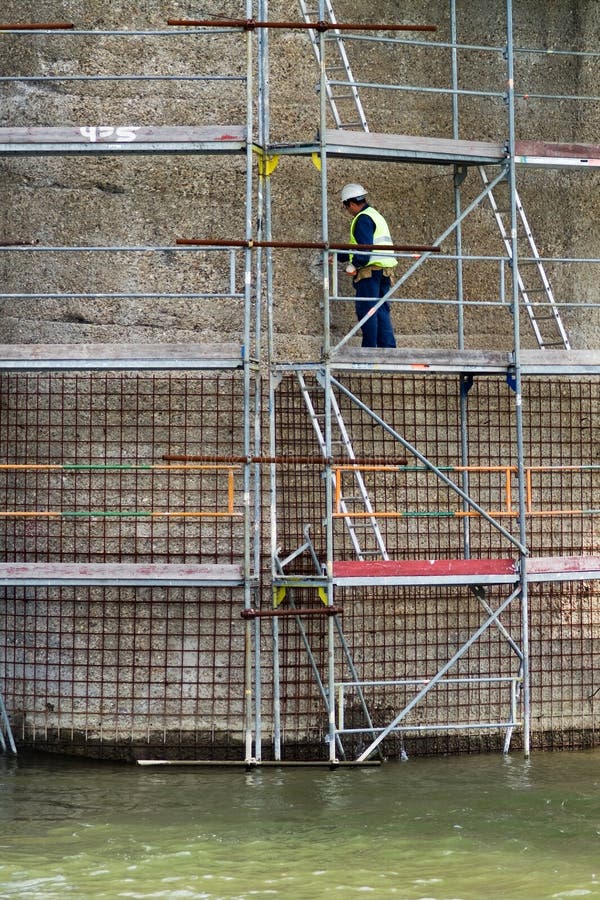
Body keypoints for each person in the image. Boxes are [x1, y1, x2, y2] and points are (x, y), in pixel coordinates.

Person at [338, 183, 397, 348]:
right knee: (381, 310)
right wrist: (338, 257)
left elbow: (364, 249)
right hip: (384, 271)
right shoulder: (374, 215)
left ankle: (369, 349)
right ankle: (388, 348)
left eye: (347, 208)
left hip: (370, 273)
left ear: (350, 203)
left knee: (367, 310)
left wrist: (353, 265)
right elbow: (358, 247)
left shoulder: (362, 219)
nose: (348, 212)